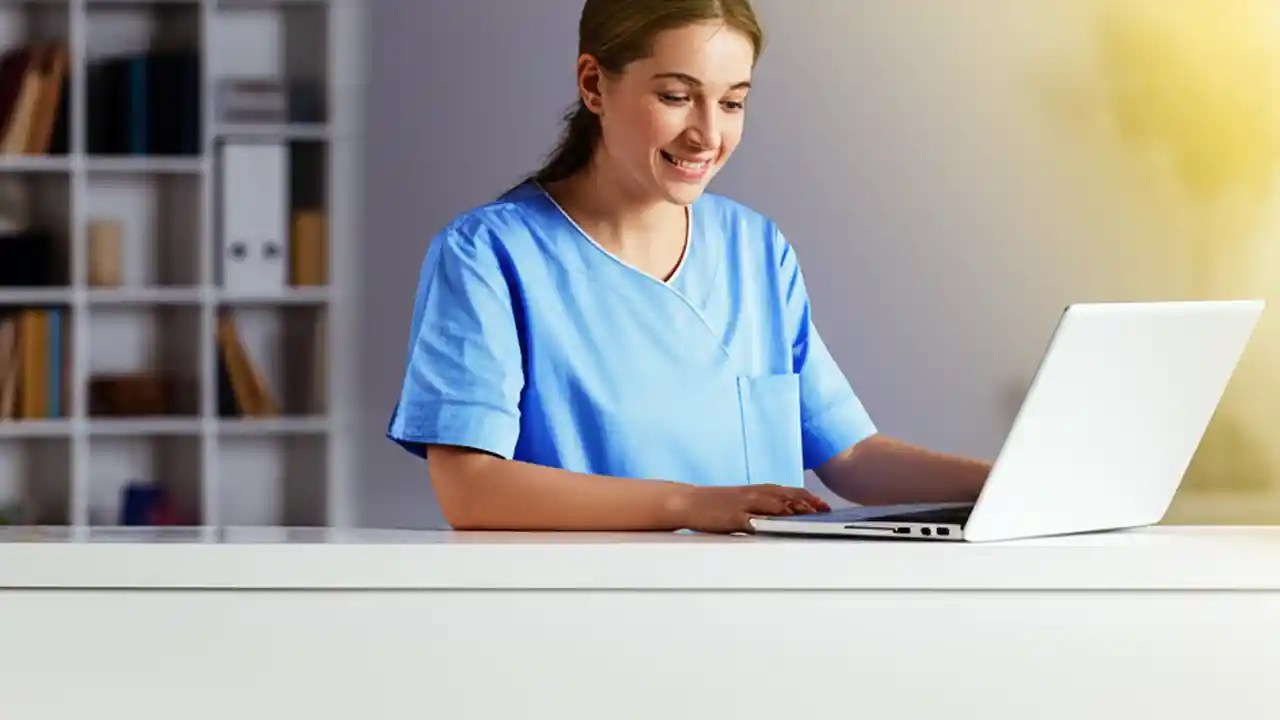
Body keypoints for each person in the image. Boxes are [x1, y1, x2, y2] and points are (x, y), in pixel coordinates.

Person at [386, 0, 991, 534]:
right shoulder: (489, 255)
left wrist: (1008, 482)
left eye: (732, 103)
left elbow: (852, 459)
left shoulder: (754, 246)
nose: (708, 134)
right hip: (589, 616)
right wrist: (692, 505)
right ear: (594, 85)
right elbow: (469, 488)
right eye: (676, 97)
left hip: (766, 617)